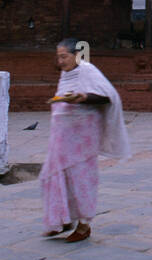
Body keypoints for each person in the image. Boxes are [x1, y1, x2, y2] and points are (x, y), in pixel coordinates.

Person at [41, 38, 131, 243]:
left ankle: (84, 225)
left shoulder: (87, 71)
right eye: (59, 57)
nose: (61, 61)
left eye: (64, 56)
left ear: (76, 55)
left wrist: (83, 97)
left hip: (82, 137)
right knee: (52, 175)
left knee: (80, 178)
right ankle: (62, 219)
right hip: (62, 136)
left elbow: (108, 96)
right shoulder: (66, 74)